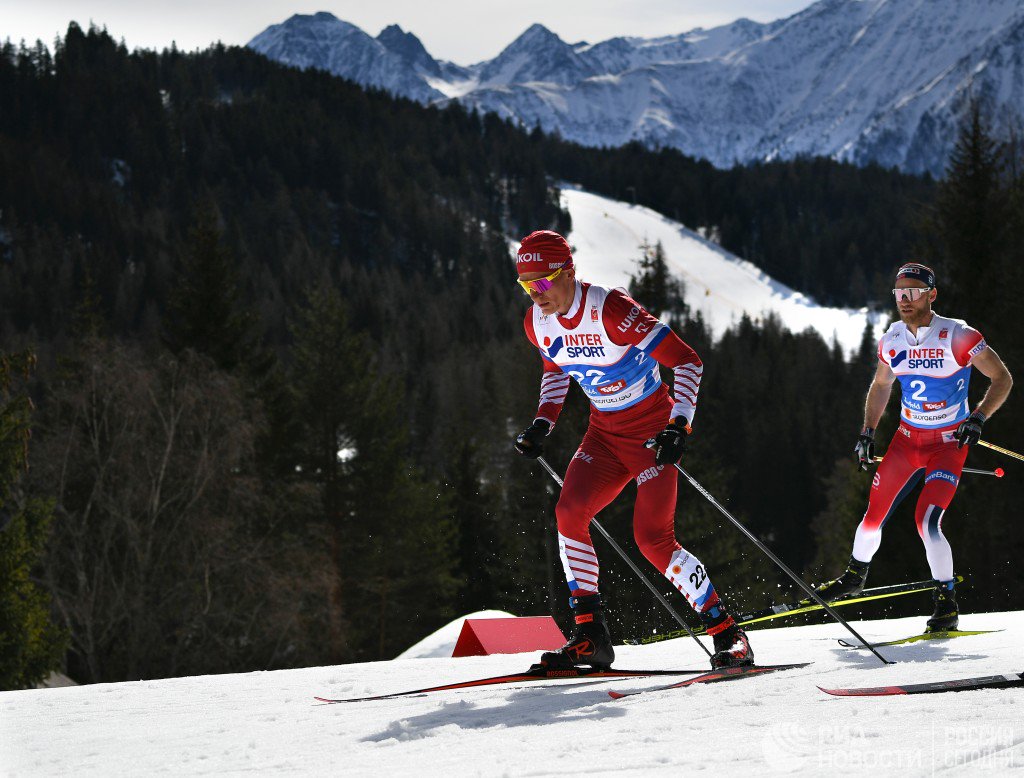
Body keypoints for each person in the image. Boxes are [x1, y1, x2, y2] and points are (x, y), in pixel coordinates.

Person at [512, 229, 752, 670]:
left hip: (650, 431)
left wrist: (679, 425)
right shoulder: (537, 323)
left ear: (568, 272)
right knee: (569, 511)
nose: (536, 295)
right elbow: (556, 368)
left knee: (653, 541)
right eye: (526, 286)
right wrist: (542, 423)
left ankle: (727, 632)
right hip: (603, 434)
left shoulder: (610, 309)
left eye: (543, 282)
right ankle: (591, 636)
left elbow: (687, 360)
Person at [816, 262, 1013, 631]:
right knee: (872, 516)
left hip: (947, 444)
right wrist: (867, 432)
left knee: (927, 522)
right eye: (899, 293)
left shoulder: (959, 335)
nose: (905, 300)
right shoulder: (891, 339)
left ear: (931, 294)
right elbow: (881, 385)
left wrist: (979, 417)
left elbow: (1002, 378)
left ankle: (946, 602)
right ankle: (854, 576)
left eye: (913, 292)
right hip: (906, 442)